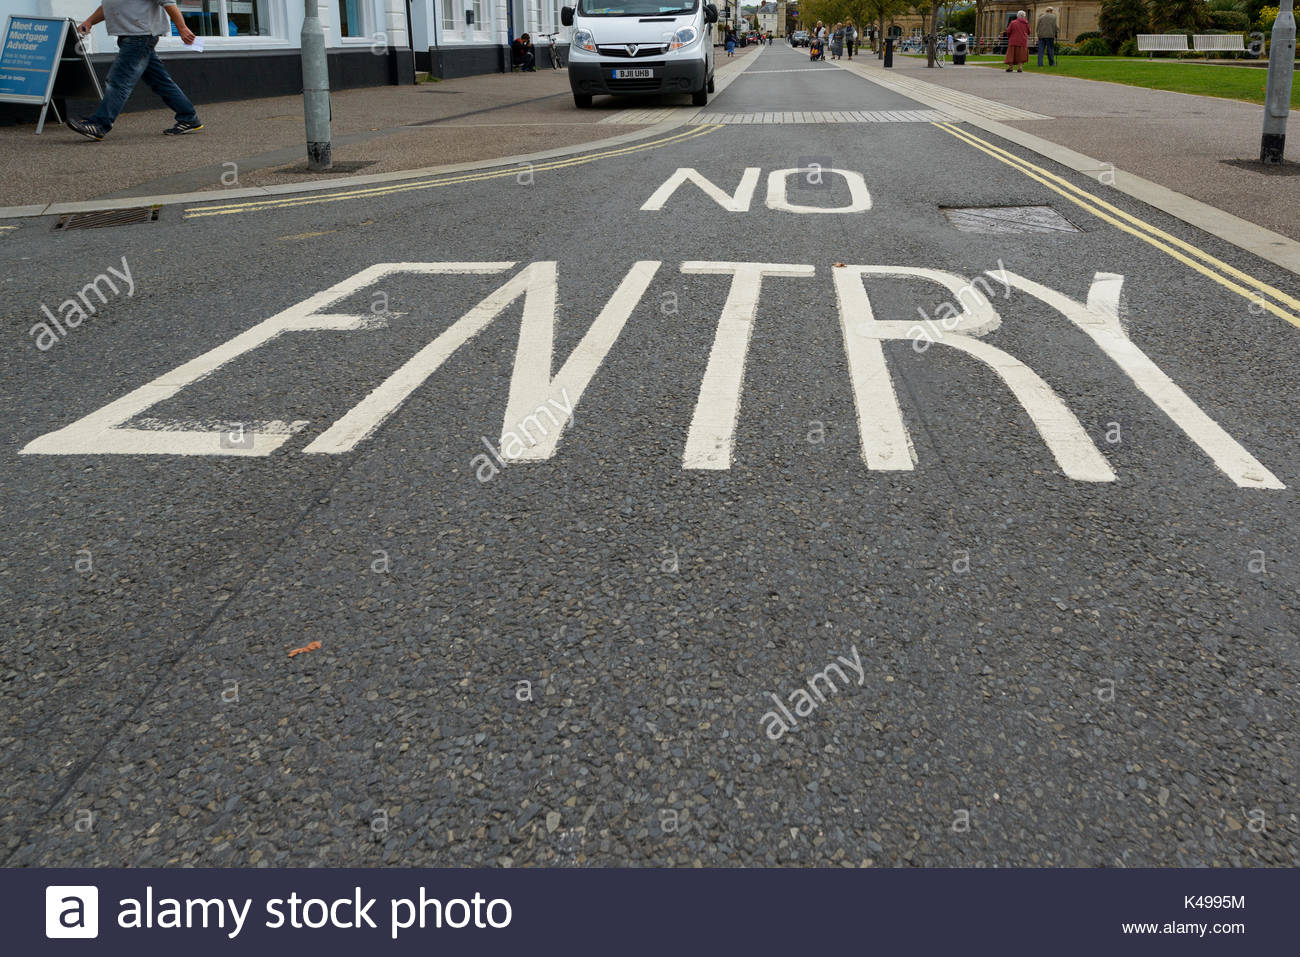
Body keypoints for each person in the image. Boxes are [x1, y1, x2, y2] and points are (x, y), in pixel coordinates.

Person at [66, 1, 201, 141]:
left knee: (119, 81)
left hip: (140, 37)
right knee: (160, 81)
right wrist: (89, 22)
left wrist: (182, 28)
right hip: (132, 36)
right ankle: (189, 117)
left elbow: (168, 2)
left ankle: (100, 124)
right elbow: (110, 6)